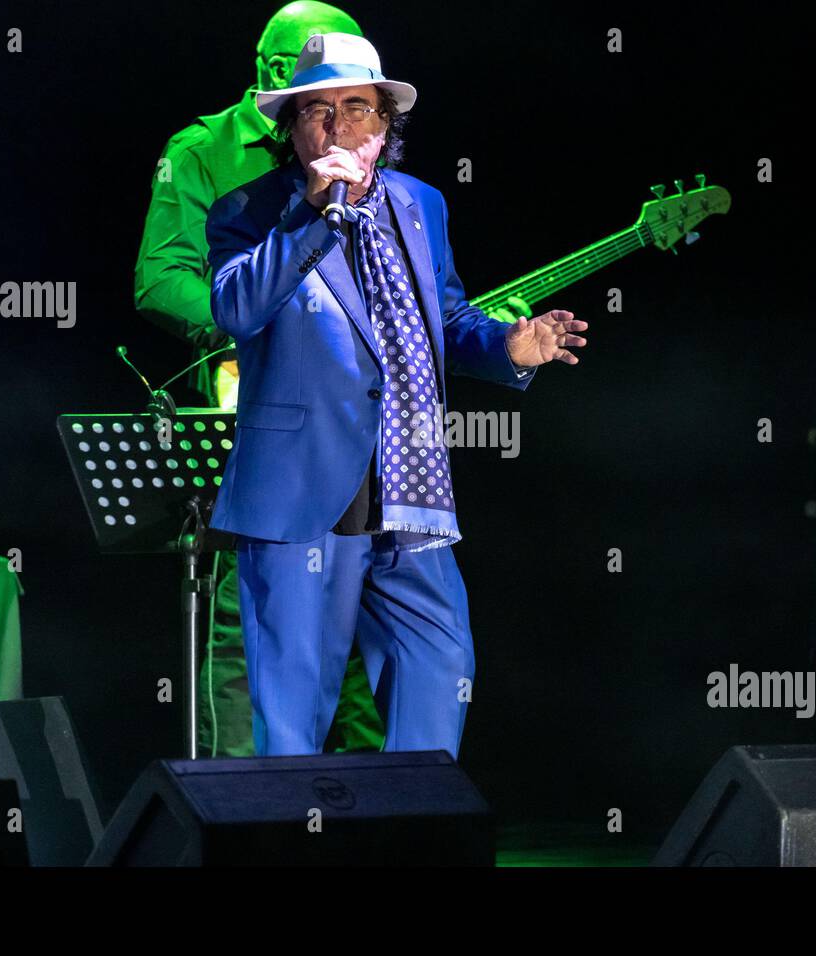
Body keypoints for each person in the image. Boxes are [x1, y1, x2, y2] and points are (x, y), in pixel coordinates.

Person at [206, 33, 588, 757]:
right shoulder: (250, 211)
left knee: (439, 669)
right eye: (317, 110)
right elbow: (237, 309)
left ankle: (421, 837)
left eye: (358, 107)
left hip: (412, 485)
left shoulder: (421, 204)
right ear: (291, 129)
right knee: (295, 711)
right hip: (304, 487)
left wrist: (507, 348)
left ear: (385, 125)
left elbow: (441, 316)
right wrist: (313, 216)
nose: (339, 125)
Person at [134, 1, 385, 757]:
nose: (339, 110)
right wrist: (249, 316)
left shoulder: (363, 147)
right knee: (248, 623)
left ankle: (380, 817)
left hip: (349, 419)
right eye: (318, 87)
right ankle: (250, 814)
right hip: (253, 413)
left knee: (361, 620)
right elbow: (160, 279)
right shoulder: (205, 150)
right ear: (274, 74)